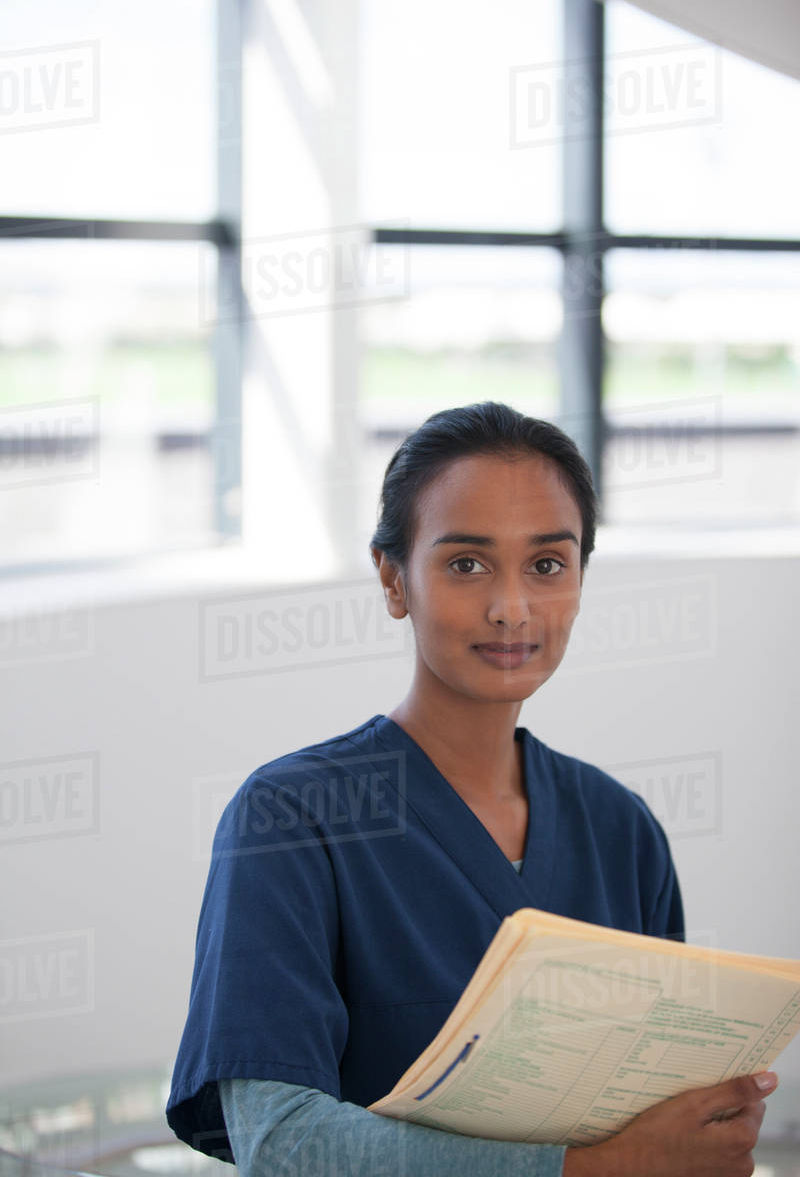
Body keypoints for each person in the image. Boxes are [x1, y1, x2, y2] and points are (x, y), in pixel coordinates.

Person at [166, 402, 777, 1176]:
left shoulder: (619, 829)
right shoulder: (291, 819)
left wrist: (704, 1120)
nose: (511, 607)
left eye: (547, 565)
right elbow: (283, 1140)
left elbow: (650, 1107)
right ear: (394, 579)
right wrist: (586, 1169)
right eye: (466, 564)